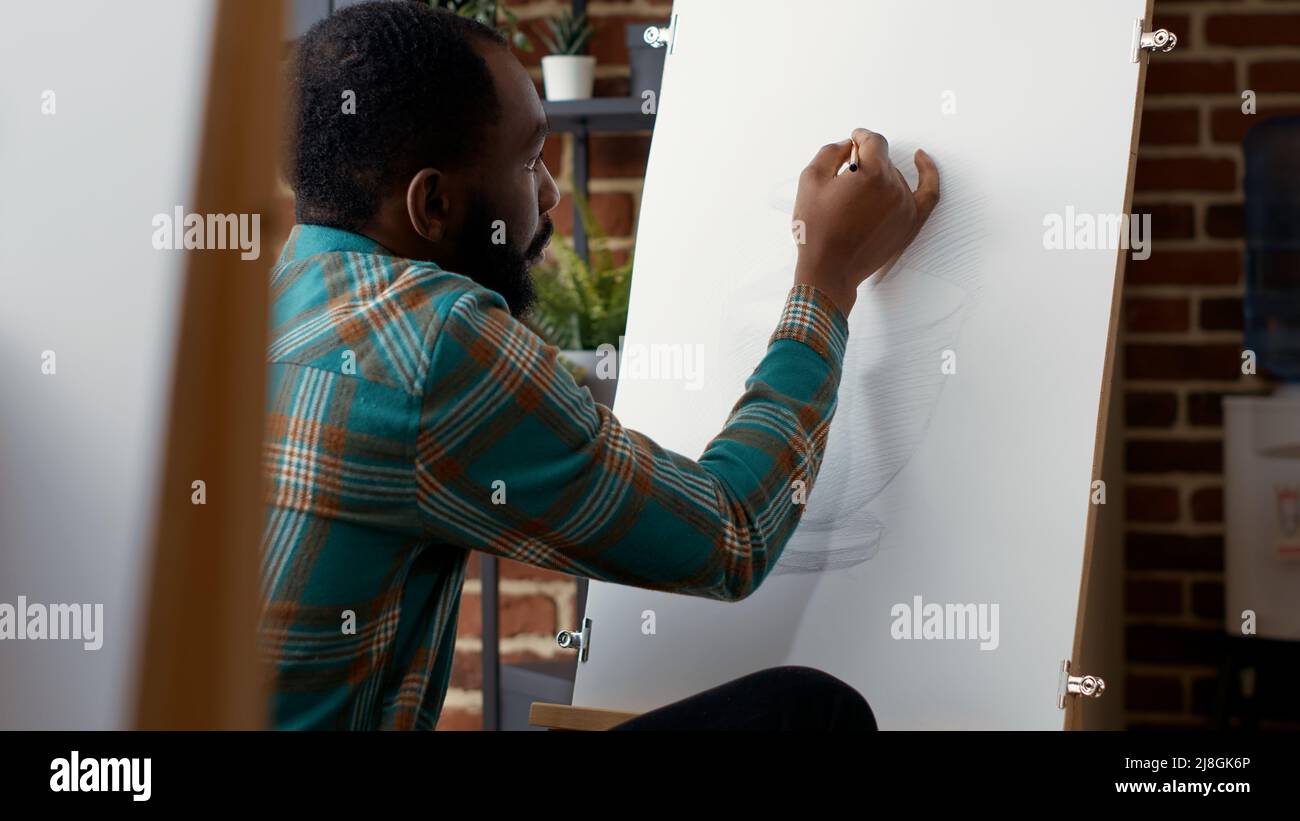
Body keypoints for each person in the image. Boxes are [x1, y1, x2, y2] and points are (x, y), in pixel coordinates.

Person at [261, 0, 939, 730]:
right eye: (527, 161)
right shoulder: (434, 339)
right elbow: (732, 535)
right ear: (434, 203)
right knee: (809, 714)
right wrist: (827, 278)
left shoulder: (279, 298)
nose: (550, 192)